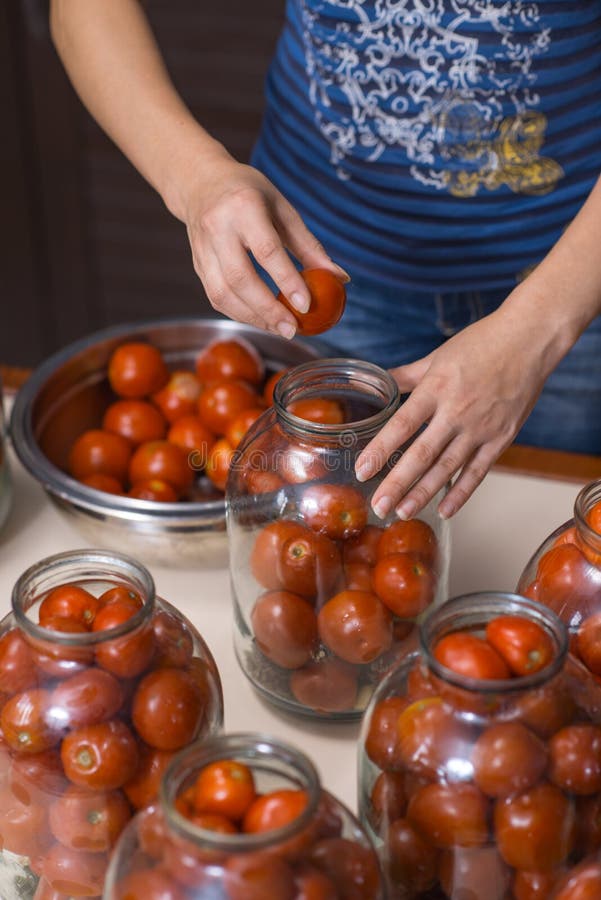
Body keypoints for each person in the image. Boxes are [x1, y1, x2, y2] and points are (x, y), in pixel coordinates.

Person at [49, 0, 601, 522]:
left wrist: (540, 328)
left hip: (571, 280)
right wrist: (194, 179)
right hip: (316, 275)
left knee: (543, 530)